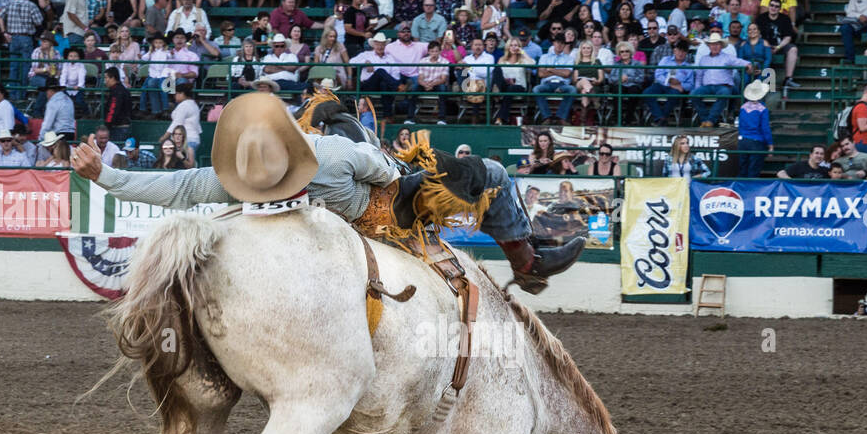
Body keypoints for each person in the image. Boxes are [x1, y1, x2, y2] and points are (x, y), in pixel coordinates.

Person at [71, 92, 585, 293]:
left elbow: (178, 186)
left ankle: (530, 251)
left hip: (315, 229)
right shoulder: (333, 153)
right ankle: (527, 265)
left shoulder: (243, 177)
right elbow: (384, 172)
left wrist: (105, 176)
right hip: (382, 213)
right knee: (488, 172)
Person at [736, 79, 772, 177]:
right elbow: (765, 128)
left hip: (743, 140)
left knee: (742, 168)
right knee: (754, 169)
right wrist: (770, 144)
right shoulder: (762, 109)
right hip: (756, 141)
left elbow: (740, 125)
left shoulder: (743, 107)